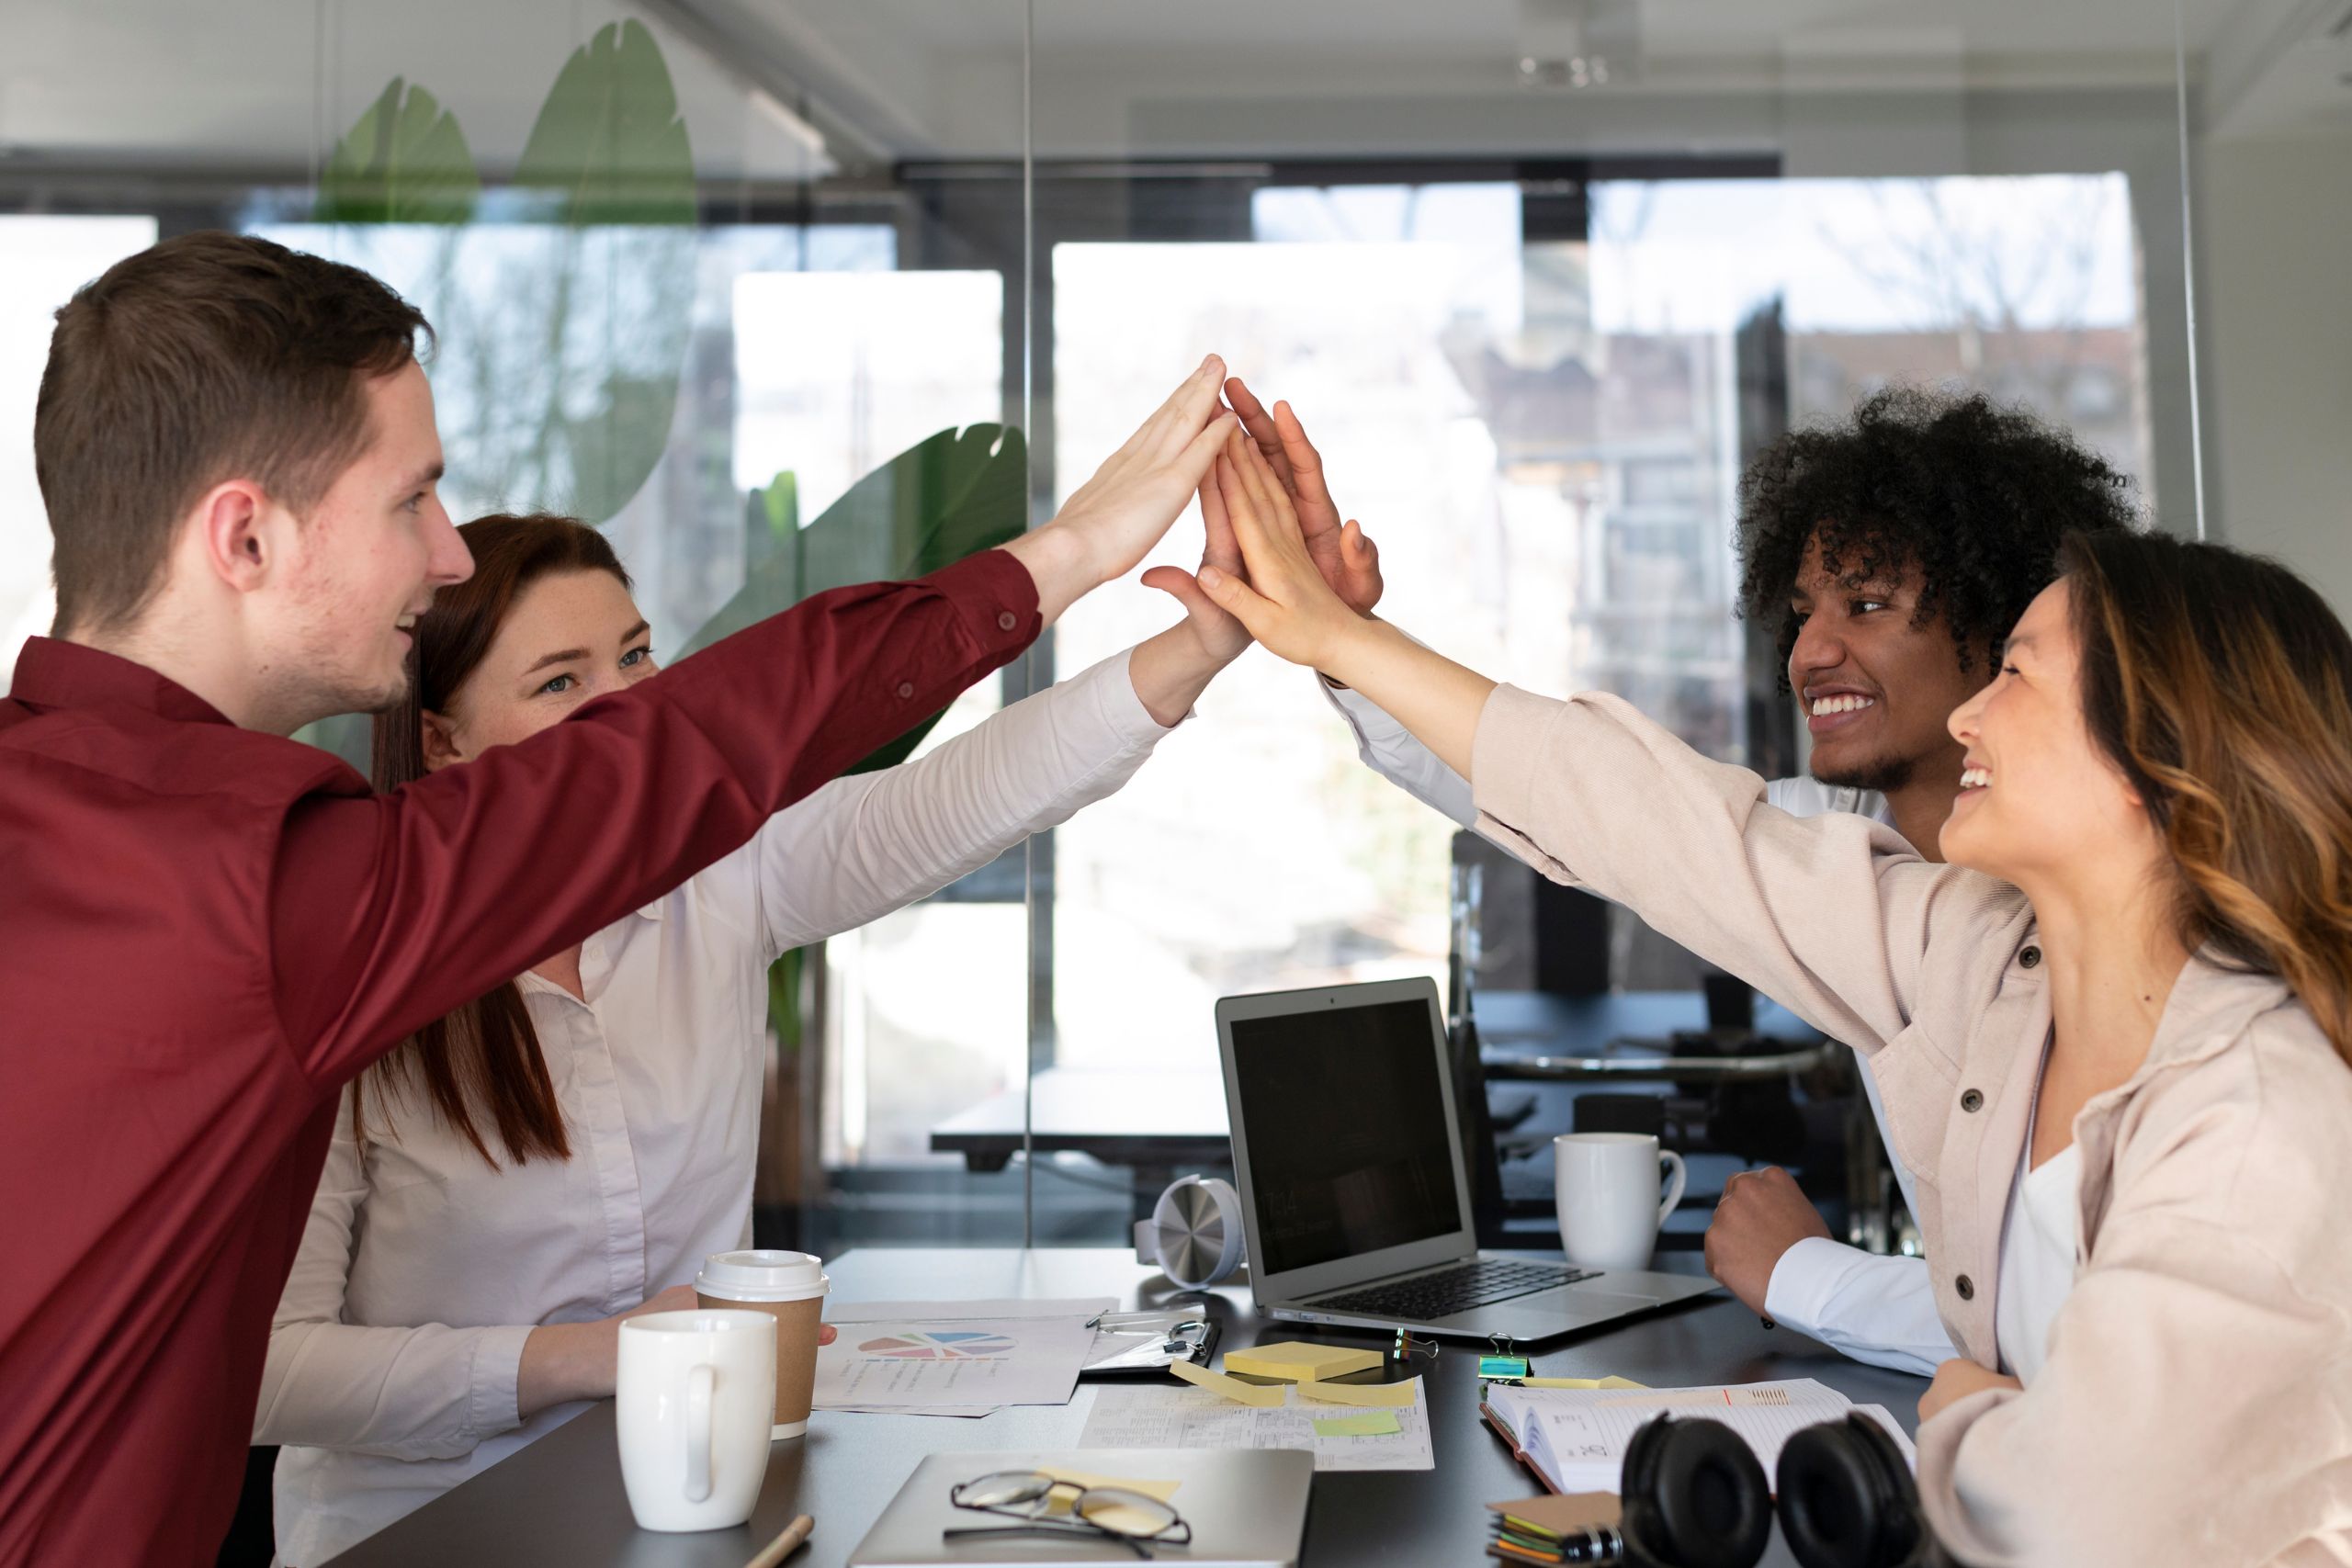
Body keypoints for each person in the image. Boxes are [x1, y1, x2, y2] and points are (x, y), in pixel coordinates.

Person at [0, 229, 1236, 1568]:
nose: (446, 555)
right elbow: (686, 754)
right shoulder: (281, 894)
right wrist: (1066, 553)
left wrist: (1189, 643)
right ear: (243, 533)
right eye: (409, 498)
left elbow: (887, 798)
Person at [1193, 425, 2352, 1564]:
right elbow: (1632, 816)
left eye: (2012, 669)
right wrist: (1343, 638)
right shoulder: (1978, 953)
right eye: (1804, 610)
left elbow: (2067, 1508)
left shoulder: (2255, 1117)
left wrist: (1953, 1398)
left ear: (2151, 755)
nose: (1966, 716)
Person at [254, 507, 1251, 1563]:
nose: (632, 712)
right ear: (443, 741)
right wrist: (594, 1356)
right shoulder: (340, 973)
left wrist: (1201, 644)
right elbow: (268, 1373)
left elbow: (965, 795)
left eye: (639, 660)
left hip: (684, 1520)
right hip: (416, 1535)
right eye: (561, 683)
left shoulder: (722, 876)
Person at [1219, 378, 2136, 1375]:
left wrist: (1807, 1275)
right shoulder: (1835, 840)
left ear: (2002, 642)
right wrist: (1354, 648)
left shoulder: (2097, 942)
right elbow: (1595, 805)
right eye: (1801, 613)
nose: (1811, 653)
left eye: (1868, 605)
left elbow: (2072, 1335)